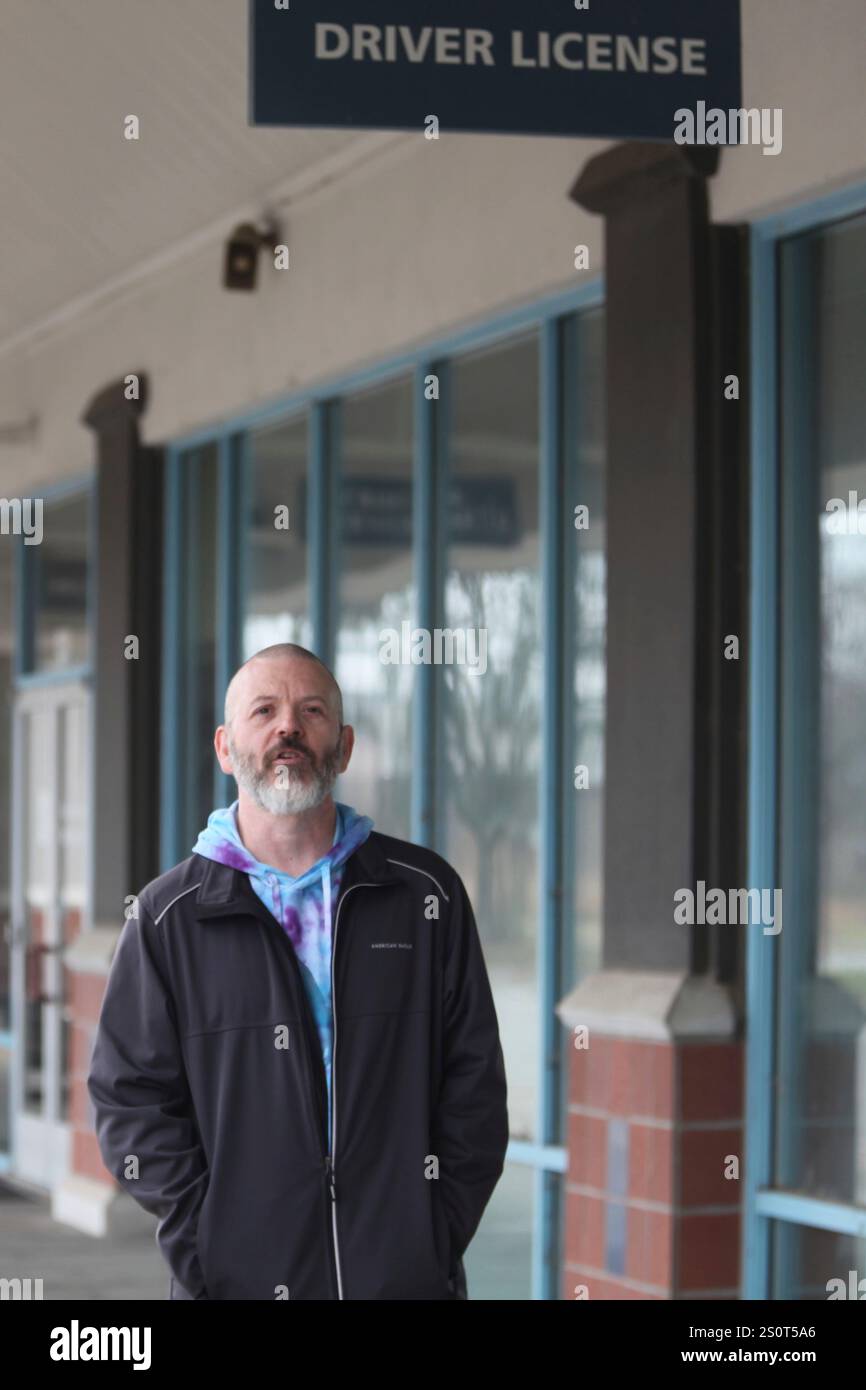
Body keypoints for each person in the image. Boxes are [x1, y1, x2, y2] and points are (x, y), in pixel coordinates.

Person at [87, 642, 509, 1300]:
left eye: (310, 710)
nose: (288, 726)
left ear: (342, 747)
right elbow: (129, 1098)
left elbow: (474, 1084)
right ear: (226, 748)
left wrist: (432, 1231)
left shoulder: (425, 896)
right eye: (265, 710)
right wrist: (206, 1236)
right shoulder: (167, 918)